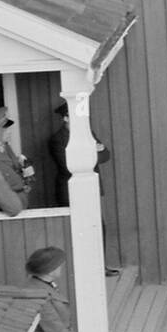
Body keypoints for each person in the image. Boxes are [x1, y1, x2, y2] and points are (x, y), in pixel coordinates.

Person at [48, 101, 116, 272]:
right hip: (70, 191)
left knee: (98, 226)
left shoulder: (88, 134)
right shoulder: (57, 139)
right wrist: (93, 151)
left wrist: (93, 152)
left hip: (92, 188)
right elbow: (68, 165)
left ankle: (99, 266)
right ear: (65, 118)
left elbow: (106, 155)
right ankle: (80, 269)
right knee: (76, 228)